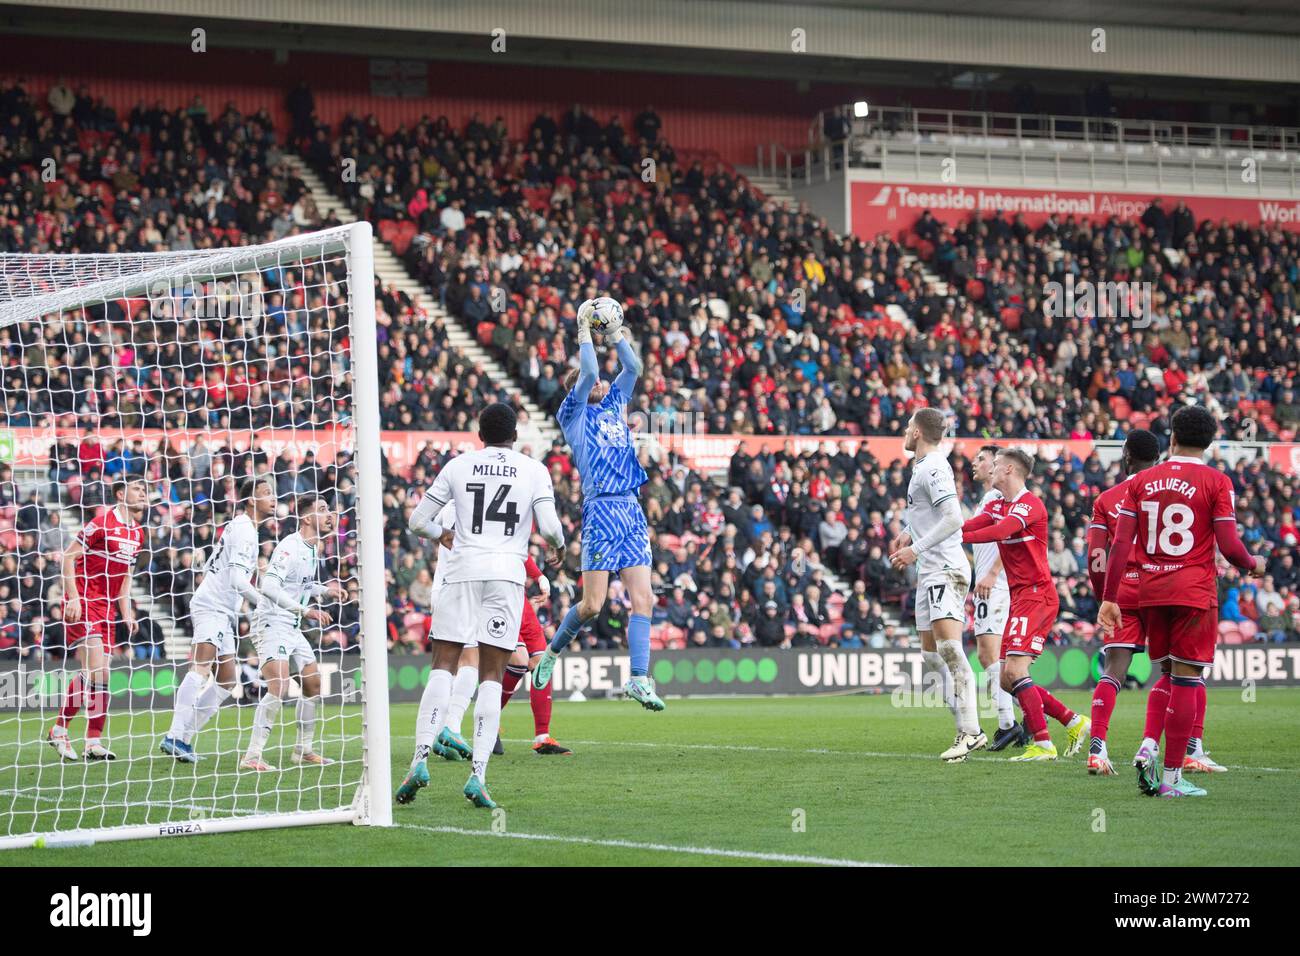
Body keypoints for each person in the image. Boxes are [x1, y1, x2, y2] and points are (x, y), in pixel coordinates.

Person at [397, 403, 565, 809]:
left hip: (462, 572)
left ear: (479, 432)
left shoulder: (459, 465)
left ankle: (419, 760)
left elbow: (418, 521)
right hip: (506, 577)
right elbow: (551, 528)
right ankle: (478, 776)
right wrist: (556, 550)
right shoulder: (533, 470)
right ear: (515, 434)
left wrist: (443, 535)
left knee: (443, 666)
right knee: (492, 674)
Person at [1098, 406, 1264, 797]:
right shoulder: (1217, 482)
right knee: (1188, 681)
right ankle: (1173, 777)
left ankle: (1149, 745)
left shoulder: (1142, 481)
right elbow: (1229, 545)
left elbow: (1120, 544)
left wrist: (1109, 598)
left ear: (1171, 437)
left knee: (1167, 675)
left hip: (1150, 594)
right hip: (1192, 592)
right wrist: (1252, 564)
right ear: (1210, 442)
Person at [532, 299, 664, 711]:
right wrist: (584, 330)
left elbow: (634, 369)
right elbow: (589, 371)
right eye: (597, 384)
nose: (605, 384)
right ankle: (553, 651)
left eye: (607, 382)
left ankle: (639, 679)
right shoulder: (573, 414)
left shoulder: (611, 406)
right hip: (602, 510)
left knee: (645, 599)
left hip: (631, 508)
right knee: (593, 605)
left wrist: (614, 335)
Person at [962, 449, 1090, 761]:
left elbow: (999, 532)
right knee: (1007, 679)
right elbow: (971, 527)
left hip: (1037, 595)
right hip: (1021, 597)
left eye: (994, 465)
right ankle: (1073, 721)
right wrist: (933, 537)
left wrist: (959, 536)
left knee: (1015, 671)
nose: (990, 470)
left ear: (1008, 469)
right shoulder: (997, 504)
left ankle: (1043, 744)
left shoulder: (1029, 504)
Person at [889, 408, 984, 762]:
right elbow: (931, 517)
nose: (904, 431)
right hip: (930, 571)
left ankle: (971, 731)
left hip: (944, 567)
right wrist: (908, 533)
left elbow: (954, 519)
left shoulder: (933, 466)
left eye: (908, 426)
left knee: (948, 650)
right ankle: (968, 729)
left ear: (917, 432)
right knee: (931, 655)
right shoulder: (923, 468)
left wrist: (915, 548)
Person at [161, 475, 274, 762]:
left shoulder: (243, 527)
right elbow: (237, 578)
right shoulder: (245, 531)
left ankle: (184, 739)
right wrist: (262, 603)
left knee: (226, 680)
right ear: (251, 499)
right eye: (266, 493)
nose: (273, 498)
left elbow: (219, 566)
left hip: (223, 609)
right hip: (212, 605)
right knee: (200, 669)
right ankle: (175, 735)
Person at [239, 496, 345, 772]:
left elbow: (302, 584)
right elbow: (269, 587)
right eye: (322, 510)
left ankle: (303, 750)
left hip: (293, 623)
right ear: (308, 518)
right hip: (272, 621)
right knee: (280, 685)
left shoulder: (313, 548)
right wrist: (304, 610)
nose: (329, 514)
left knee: (312, 682)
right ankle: (252, 755)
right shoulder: (289, 547)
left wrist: (324, 591)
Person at [48, 476, 147, 761]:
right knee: (95, 669)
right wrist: (74, 597)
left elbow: (126, 576)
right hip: (83, 598)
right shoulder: (101, 523)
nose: (143, 493)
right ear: (120, 493)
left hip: (107, 608)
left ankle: (92, 741)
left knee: (102, 674)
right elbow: (67, 558)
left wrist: (127, 612)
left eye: (145, 490)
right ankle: (60, 730)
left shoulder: (138, 533)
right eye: (137, 489)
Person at [1084, 429, 1159, 776]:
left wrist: (1105, 597)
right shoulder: (1170, 492)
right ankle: (1170, 748)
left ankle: (1097, 748)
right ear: (1159, 457)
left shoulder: (1107, 498)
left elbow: (1097, 556)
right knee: (1179, 671)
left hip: (1123, 591)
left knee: (1114, 669)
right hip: (1165, 586)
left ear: (1126, 456)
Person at [969, 445, 1026, 751]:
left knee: (990, 656)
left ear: (997, 465)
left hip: (996, 585)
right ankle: (1020, 716)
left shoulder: (997, 497)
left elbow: (1009, 536)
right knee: (994, 657)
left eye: (981, 458)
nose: (975, 463)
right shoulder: (987, 499)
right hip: (992, 585)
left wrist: (991, 573)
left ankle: (1011, 721)